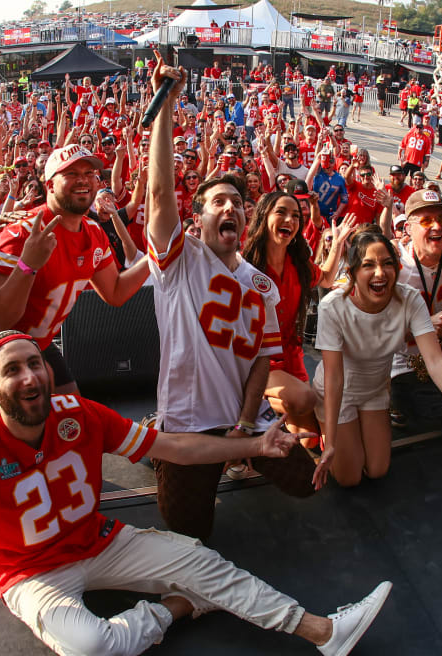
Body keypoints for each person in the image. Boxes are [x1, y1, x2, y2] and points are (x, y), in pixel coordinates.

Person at [0, 330, 394, 656]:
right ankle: (179, 608)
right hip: (32, 575)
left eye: (35, 362)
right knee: (94, 649)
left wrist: (253, 443)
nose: (31, 375)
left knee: (203, 560)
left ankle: (322, 630)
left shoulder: (76, 415)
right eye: (12, 370)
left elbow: (168, 445)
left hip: (98, 542)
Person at [144, 55, 317, 541]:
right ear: (195, 218)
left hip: (243, 418)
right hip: (190, 423)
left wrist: (246, 426)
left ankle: (240, 454)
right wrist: (165, 110)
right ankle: (162, 446)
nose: (230, 208)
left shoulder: (260, 284)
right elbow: (158, 195)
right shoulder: (179, 259)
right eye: (217, 202)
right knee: (190, 531)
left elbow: (263, 359)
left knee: (308, 482)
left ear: (246, 219)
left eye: (237, 204)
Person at [312, 227, 442, 488]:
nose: (380, 272)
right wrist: (333, 442)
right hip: (339, 393)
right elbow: (334, 377)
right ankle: (324, 423)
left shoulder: (409, 299)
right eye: (368, 265)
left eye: (387, 263)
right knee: (349, 478)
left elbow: (435, 361)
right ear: (353, 273)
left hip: (374, 392)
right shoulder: (333, 306)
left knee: (377, 470)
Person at [0, 144, 150, 395]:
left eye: (89, 174)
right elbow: (0, 320)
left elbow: (115, 292)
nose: (83, 181)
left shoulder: (94, 231)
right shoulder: (23, 232)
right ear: (50, 185)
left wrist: (157, 256)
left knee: (71, 415)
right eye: (71, 174)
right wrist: (28, 264)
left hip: (41, 344)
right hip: (4, 347)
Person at [242, 192, 349, 442]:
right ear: (263, 216)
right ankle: (248, 400)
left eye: (295, 216)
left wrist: (337, 244)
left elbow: (327, 278)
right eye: (281, 212)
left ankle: (263, 405)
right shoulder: (244, 265)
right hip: (257, 362)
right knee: (305, 398)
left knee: (310, 440)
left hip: (291, 358)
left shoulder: (298, 264)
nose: (289, 219)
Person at [389, 189, 442, 431]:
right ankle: (393, 401)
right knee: (428, 417)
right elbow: (374, 329)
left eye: (441, 219)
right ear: (408, 228)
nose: (437, 226)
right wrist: (425, 325)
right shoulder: (392, 264)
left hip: (440, 352)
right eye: (426, 220)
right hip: (403, 357)